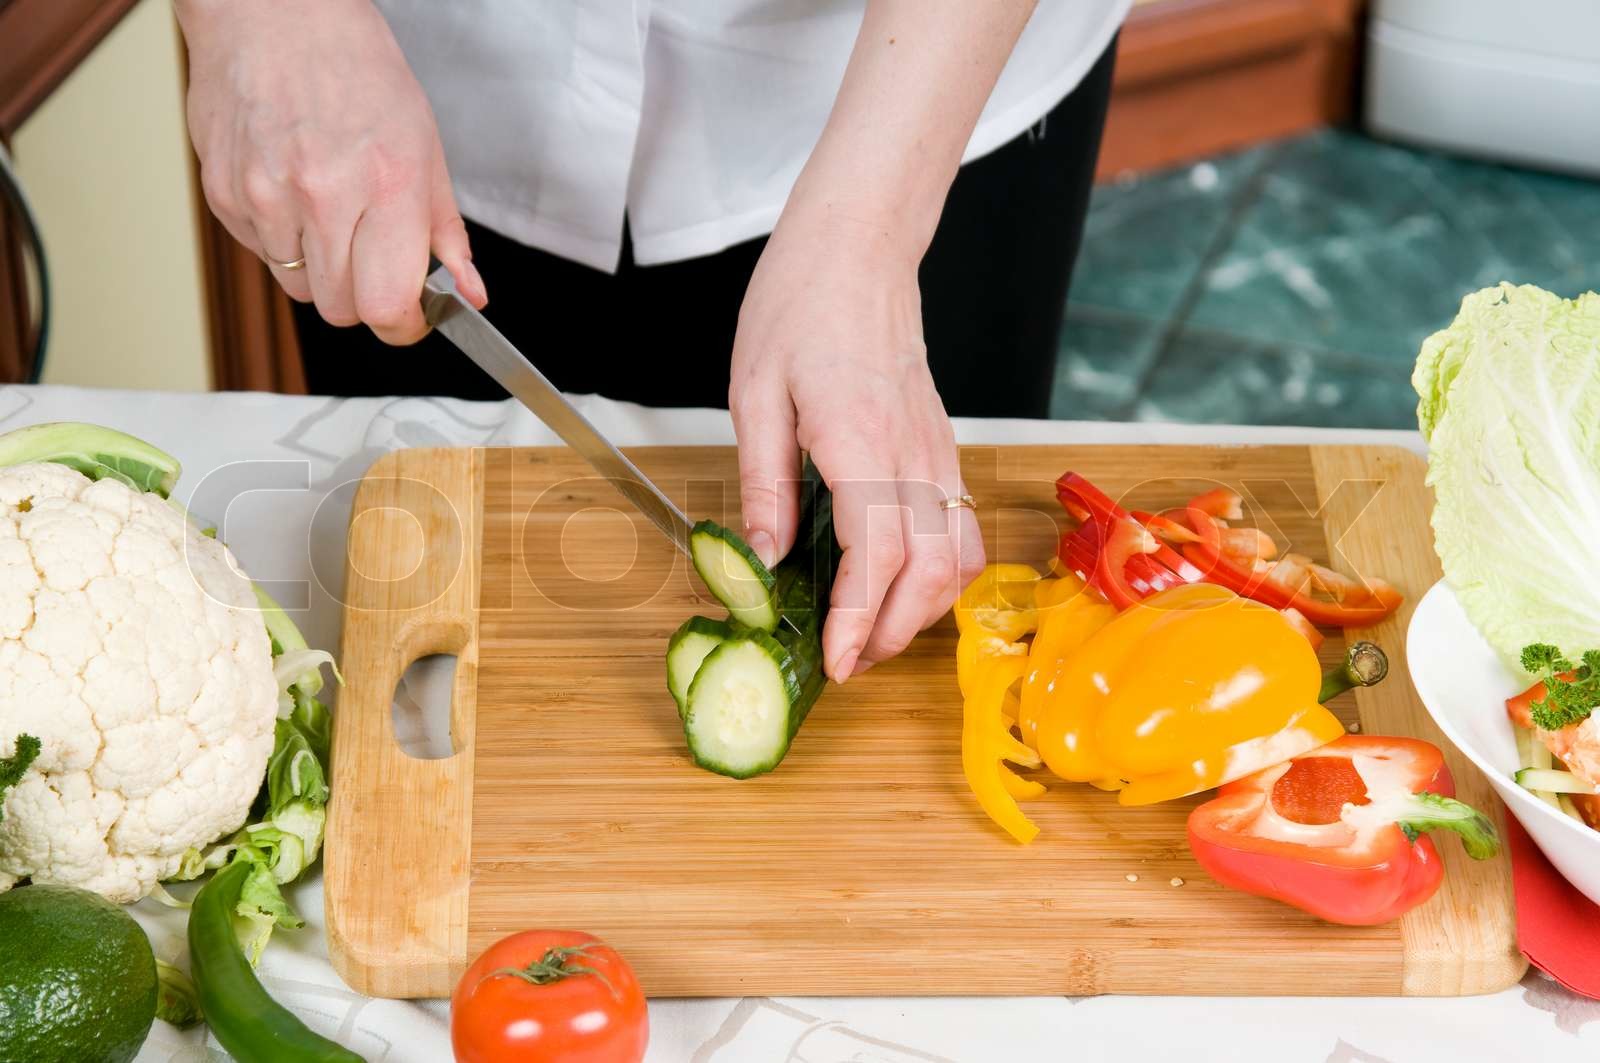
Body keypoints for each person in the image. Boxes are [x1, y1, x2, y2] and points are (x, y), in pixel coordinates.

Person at [175, 0, 1128, 682]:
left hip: (911, 87)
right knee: (402, 593)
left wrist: (870, 233)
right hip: (392, 104)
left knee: (918, 558)